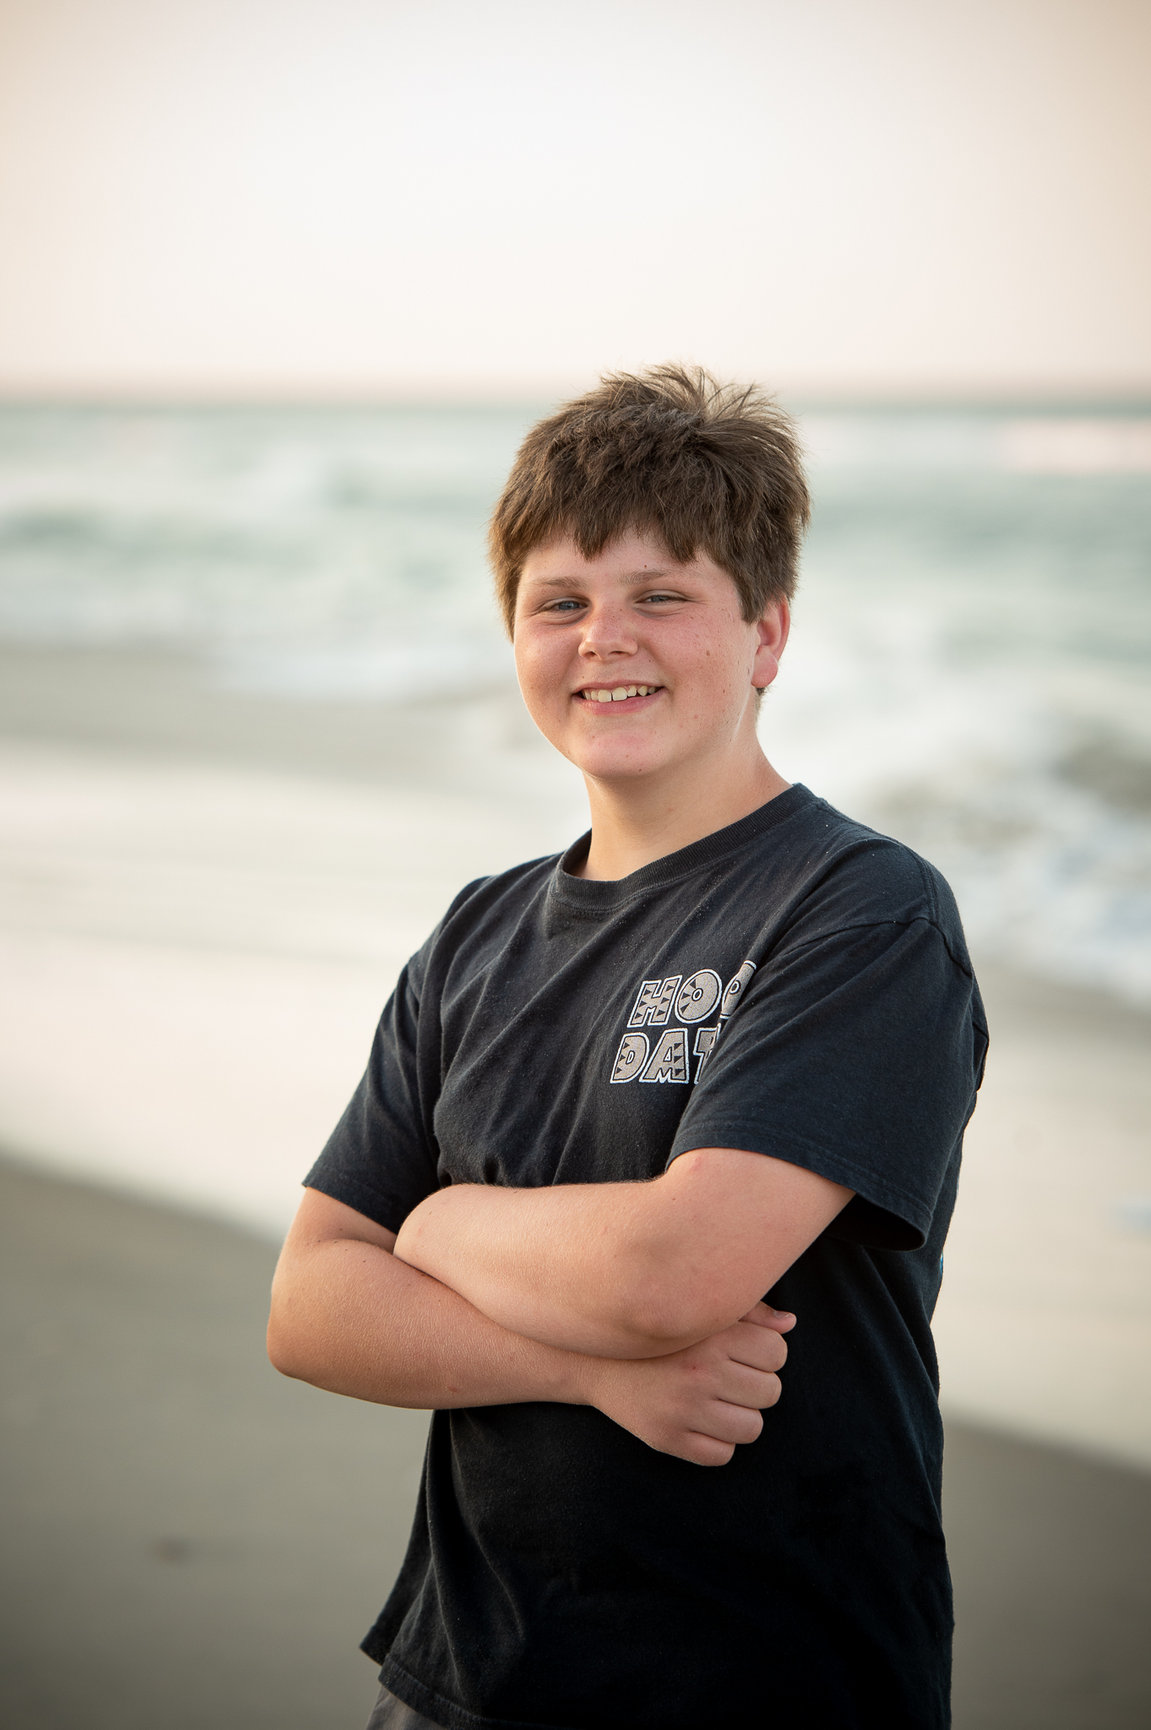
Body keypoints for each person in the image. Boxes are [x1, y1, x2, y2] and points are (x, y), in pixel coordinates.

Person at [267, 364, 988, 1730]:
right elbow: (308, 1306)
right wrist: (586, 1368)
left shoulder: (862, 912)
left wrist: (439, 1222)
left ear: (768, 634)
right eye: (560, 602)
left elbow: (674, 1274)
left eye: (662, 595)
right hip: (464, 1677)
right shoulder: (478, 935)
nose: (606, 637)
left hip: (771, 1682)